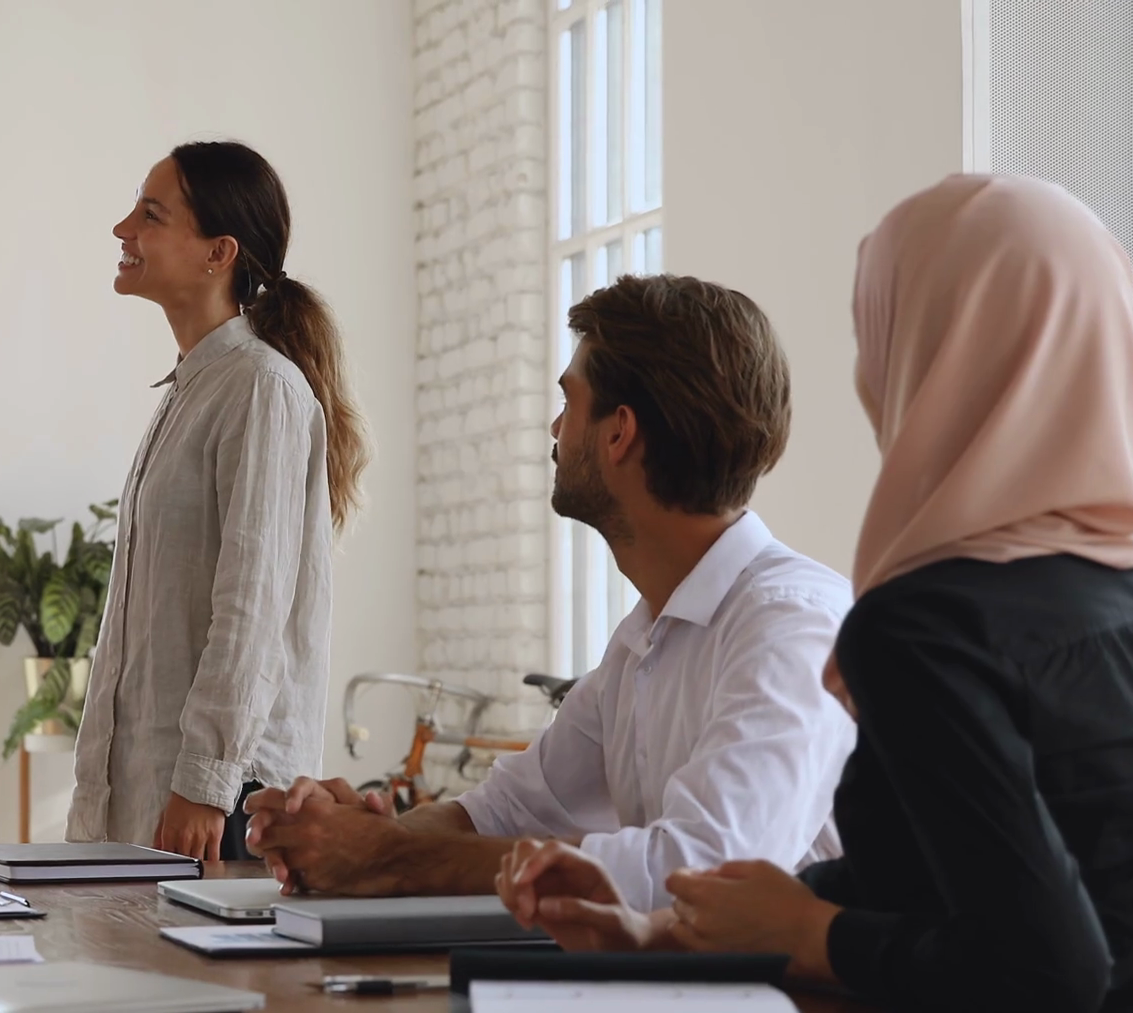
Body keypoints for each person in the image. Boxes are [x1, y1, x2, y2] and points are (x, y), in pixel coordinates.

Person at [498, 176, 1133, 1013]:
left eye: (875, 329)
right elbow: (953, 882)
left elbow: (1054, 974)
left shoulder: (926, 625)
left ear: (930, 353)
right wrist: (657, 932)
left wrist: (812, 934)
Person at [246, 274, 856, 910]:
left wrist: (388, 857)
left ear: (619, 433)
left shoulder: (791, 627)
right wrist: (349, 836)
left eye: (570, 402)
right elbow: (498, 814)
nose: (555, 427)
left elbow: (696, 873)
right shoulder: (645, 640)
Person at [66, 141, 369, 860]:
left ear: (218, 252)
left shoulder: (261, 387)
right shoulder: (194, 391)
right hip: (156, 797)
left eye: (151, 215)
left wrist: (204, 783)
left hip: (220, 806)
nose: (122, 230)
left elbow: (251, 608)